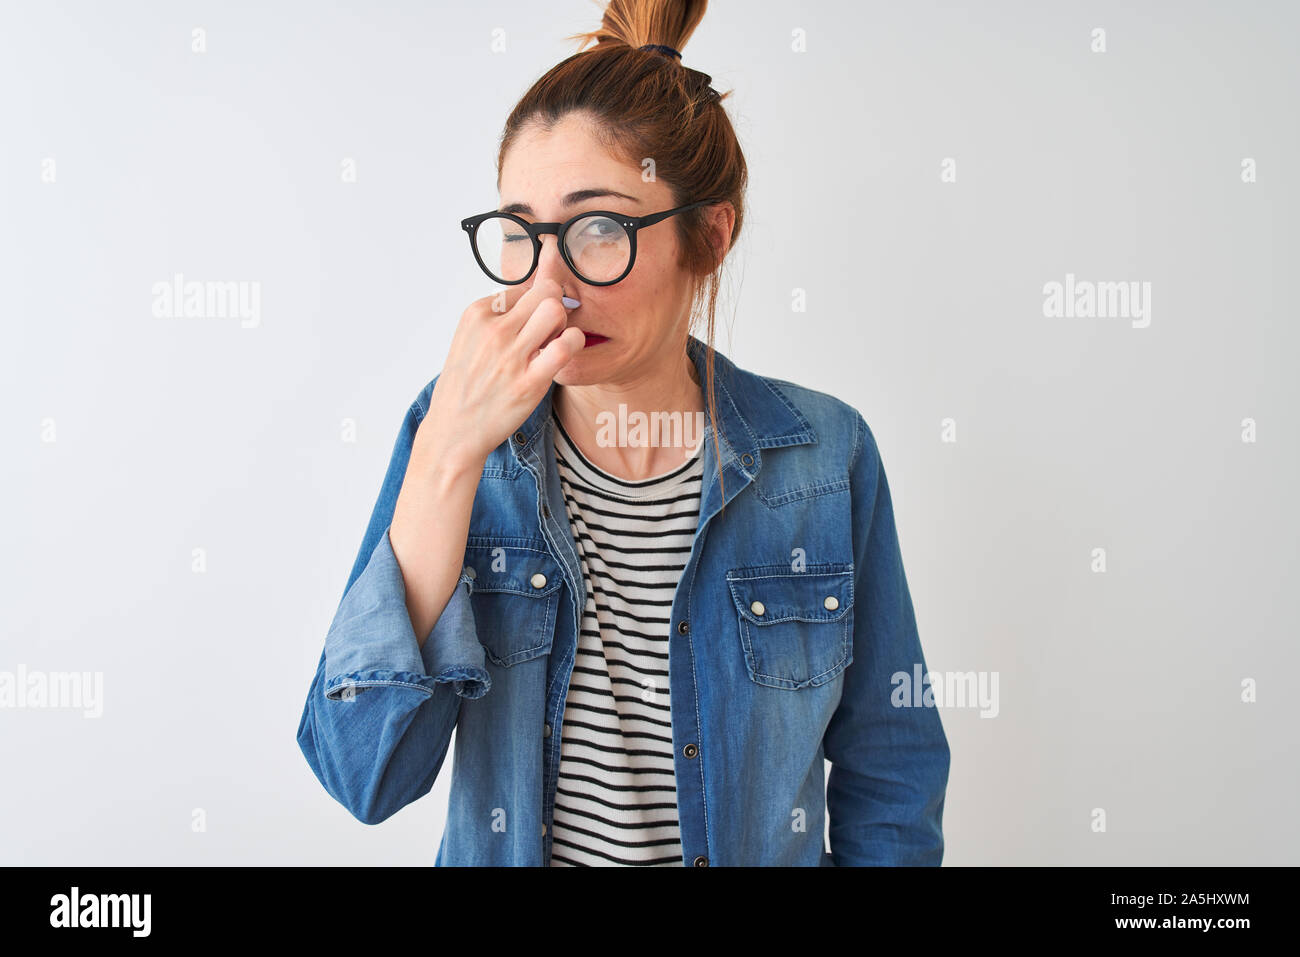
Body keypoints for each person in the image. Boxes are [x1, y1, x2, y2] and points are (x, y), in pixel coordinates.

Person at [296, 0, 950, 867]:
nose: (550, 285)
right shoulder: (453, 431)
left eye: (598, 227)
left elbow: (892, 772)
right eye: (524, 234)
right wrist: (449, 451)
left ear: (707, 237)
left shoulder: (826, 458)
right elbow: (362, 774)